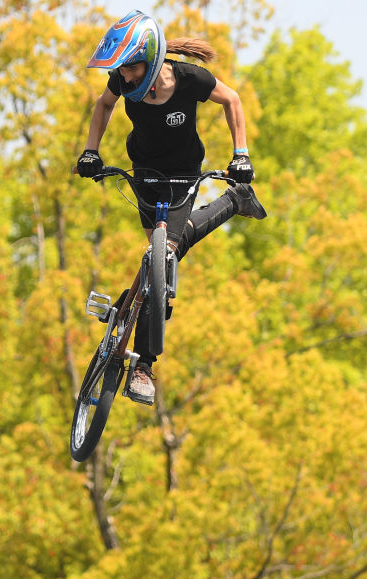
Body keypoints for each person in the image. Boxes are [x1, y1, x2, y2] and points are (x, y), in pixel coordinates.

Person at [76, 9, 267, 405]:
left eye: (131, 69)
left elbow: (232, 100)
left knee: (163, 255)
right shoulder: (121, 81)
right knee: (159, 263)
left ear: (150, 56)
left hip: (183, 173)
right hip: (144, 171)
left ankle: (144, 367)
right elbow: (102, 107)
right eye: (122, 72)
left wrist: (241, 155)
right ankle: (235, 203)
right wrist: (90, 151)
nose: (125, 78)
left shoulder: (188, 79)